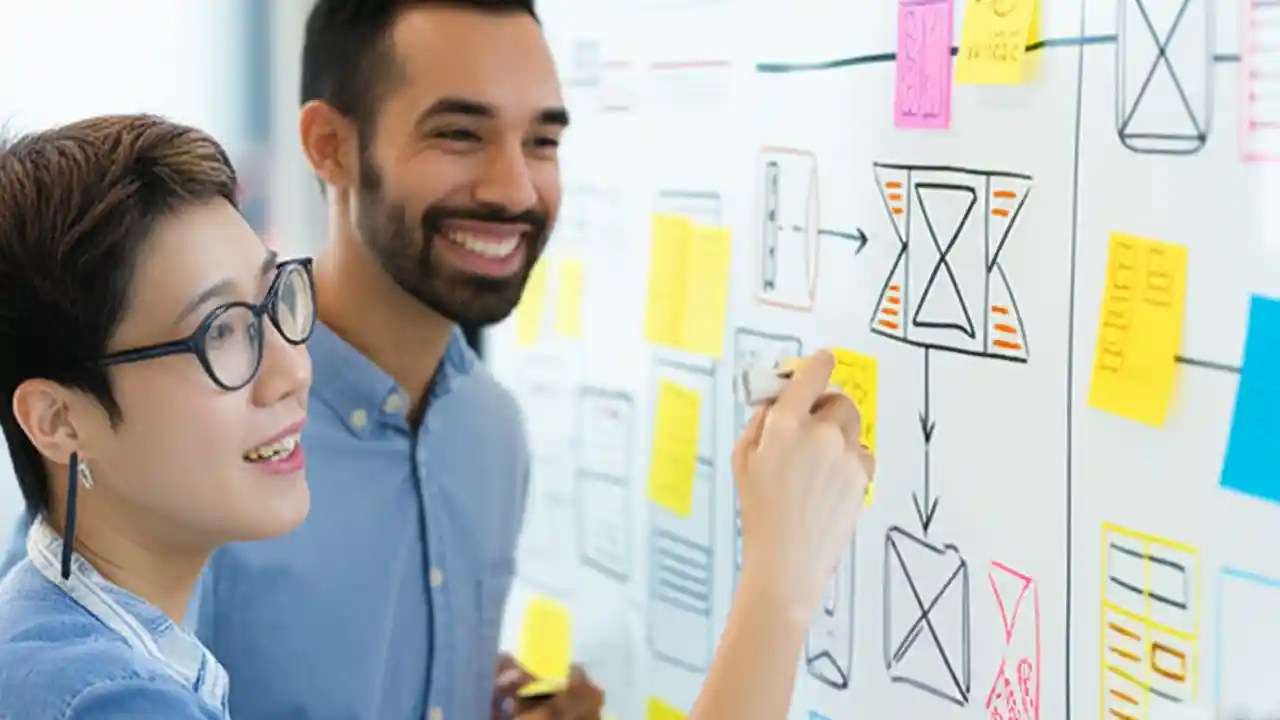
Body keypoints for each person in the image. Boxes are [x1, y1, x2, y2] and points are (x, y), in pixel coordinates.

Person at [0, 3, 879, 720]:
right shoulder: (213, 489)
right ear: (329, 146)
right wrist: (781, 584)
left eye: (543, 141)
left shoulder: (488, 431)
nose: (513, 188)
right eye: (459, 134)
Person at [0, 114, 315, 717]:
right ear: (59, 421)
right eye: (220, 331)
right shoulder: (114, 702)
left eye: (273, 298)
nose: (292, 373)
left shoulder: (43, 633)